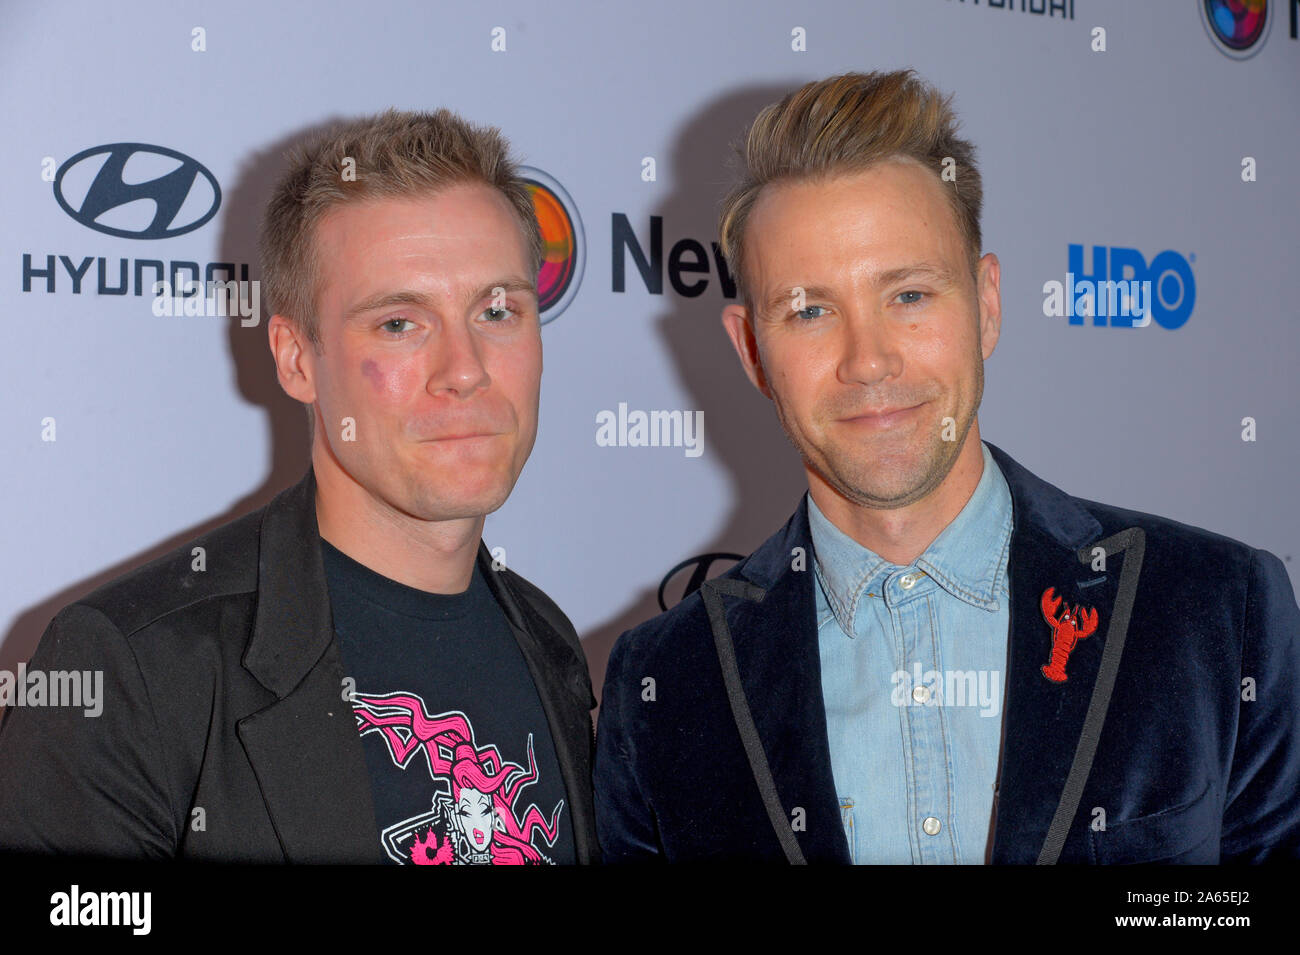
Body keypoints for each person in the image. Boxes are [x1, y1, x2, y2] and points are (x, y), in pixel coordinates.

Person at [593, 70, 1300, 864]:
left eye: (910, 295)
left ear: (987, 304)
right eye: (811, 311)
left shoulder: (1218, 614)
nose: (869, 361)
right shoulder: (665, 685)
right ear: (752, 351)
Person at [0, 109, 598, 864]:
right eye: (398, 323)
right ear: (295, 358)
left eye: (497, 309)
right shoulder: (136, 667)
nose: (466, 369)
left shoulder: (549, 645)